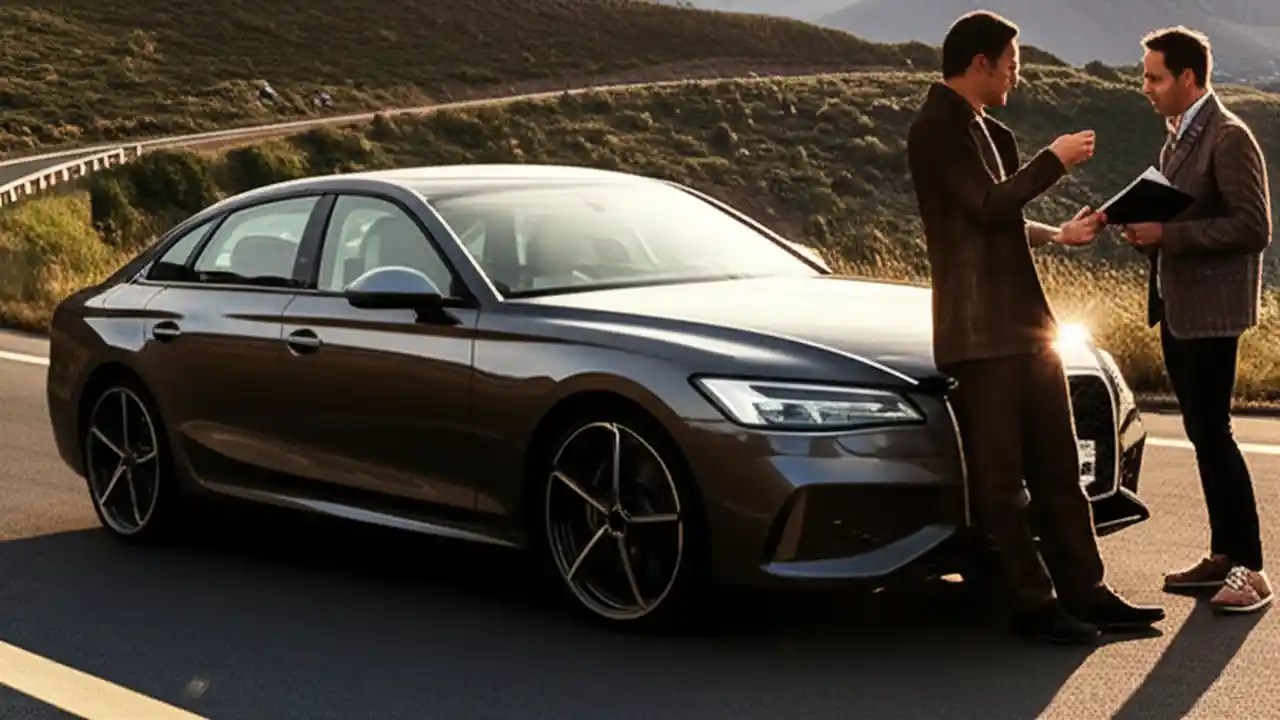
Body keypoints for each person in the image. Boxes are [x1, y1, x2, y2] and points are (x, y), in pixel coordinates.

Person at [906, 10, 1165, 644]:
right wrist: (1054, 161)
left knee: (1058, 467)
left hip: (1027, 325)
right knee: (1002, 479)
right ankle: (1031, 602)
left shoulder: (990, 132)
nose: (1016, 76)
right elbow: (986, 205)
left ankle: (1088, 592)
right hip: (979, 332)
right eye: (1012, 64)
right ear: (979, 65)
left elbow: (998, 220)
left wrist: (1060, 232)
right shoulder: (934, 129)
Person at [1121, 26, 1273, 614]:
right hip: (1178, 310)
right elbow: (1178, 218)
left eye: (1154, 77)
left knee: (1216, 433)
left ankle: (1251, 571)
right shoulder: (1177, 138)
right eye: (1145, 76)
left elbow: (1253, 227)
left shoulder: (1229, 137)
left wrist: (1170, 235)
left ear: (1189, 78)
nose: (1146, 88)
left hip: (1212, 312)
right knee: (1202, 435)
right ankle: (1222, 555)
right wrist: (1145, 234)